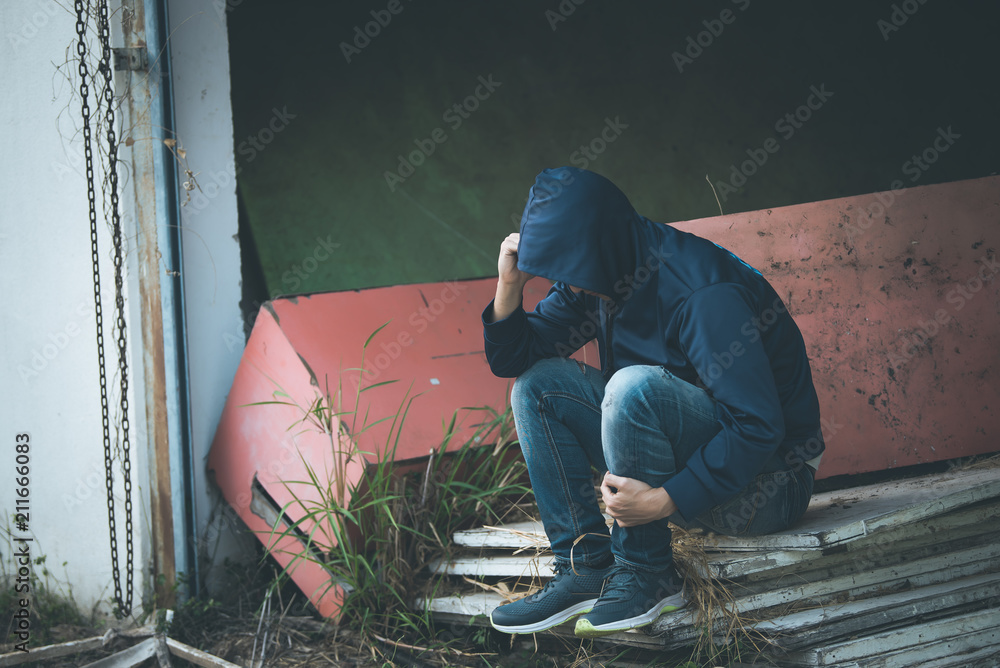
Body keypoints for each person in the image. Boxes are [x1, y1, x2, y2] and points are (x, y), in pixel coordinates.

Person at [481, 167, 825, 638]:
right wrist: (510, 287)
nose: (568, 287)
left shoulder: (703, 294)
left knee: (632, 387)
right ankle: (583, 566)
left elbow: (758, 427)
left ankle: (647, 573)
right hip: (684, 461)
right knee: (536, 386)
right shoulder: (602, 273)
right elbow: (515, 359)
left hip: (768, 485)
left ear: (598, 249)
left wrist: (666, 500)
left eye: (571, 273)